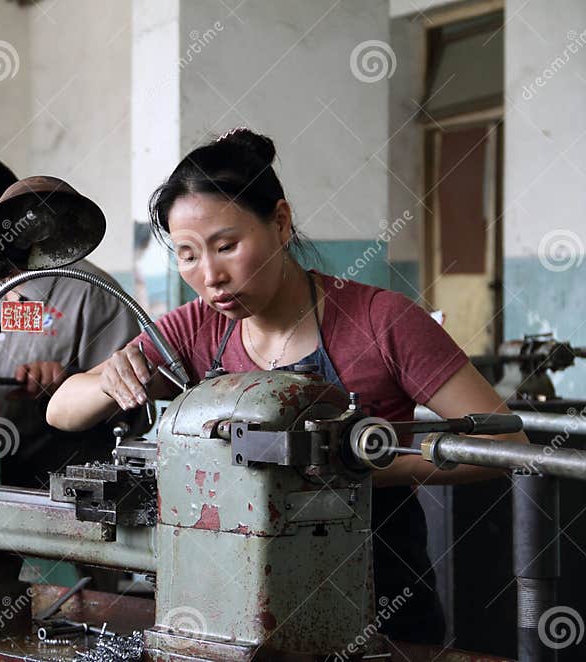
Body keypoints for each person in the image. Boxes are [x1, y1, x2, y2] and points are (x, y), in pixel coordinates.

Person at [46, 128, 528, 645]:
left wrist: (357, 468)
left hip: (378, 603)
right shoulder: (195, 329)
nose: (211, 276)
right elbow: (61, 411)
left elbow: (505, 446)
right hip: (231, 613)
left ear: (280, 222)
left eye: (226, 246)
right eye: (187, 255)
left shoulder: (381, 321)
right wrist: (110, 377)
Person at [0, 152, 141, 488]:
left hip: (63, 493)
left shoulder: (91, 295)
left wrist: (72, 383)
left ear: (4, 226)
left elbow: (135, 412)